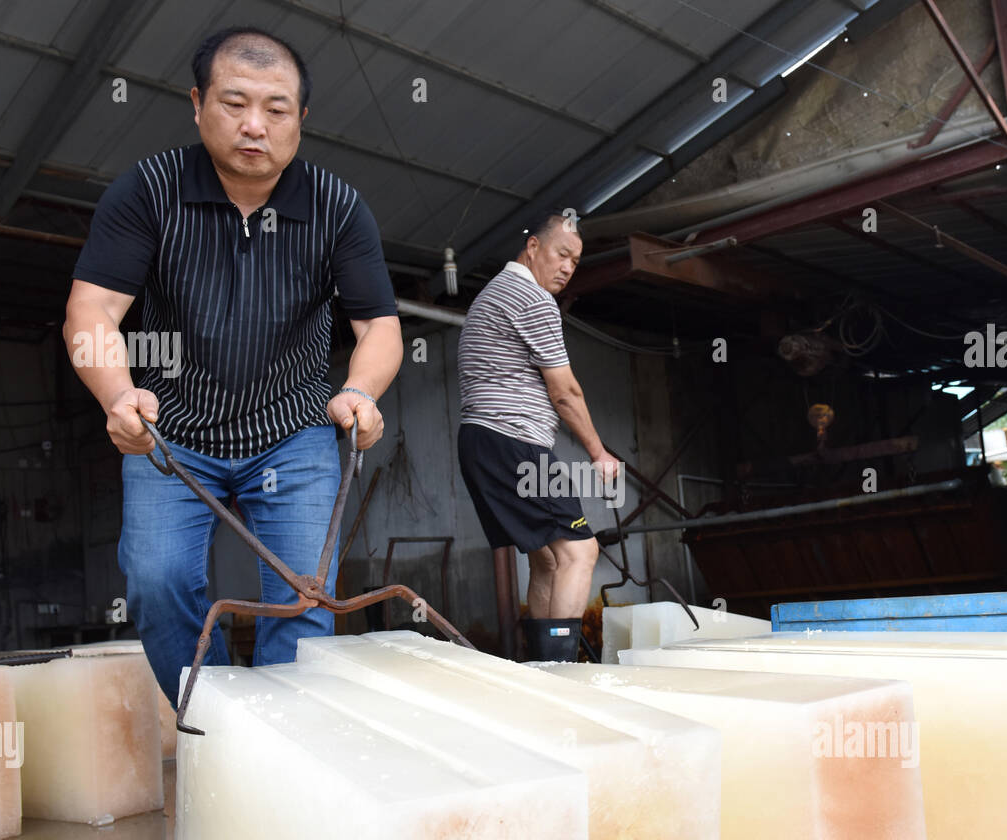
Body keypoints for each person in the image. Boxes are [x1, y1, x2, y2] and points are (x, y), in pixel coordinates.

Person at [64, 27, 402, 705]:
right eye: (234, 103)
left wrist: (360, 392)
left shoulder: (337, 208)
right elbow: (90, 313)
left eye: (276, 110)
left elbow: (381, 327)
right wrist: (117, 397)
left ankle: (285, 749)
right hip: (173, 432)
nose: (255, 126)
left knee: (305, 600)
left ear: (301, 119)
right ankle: (220, 725)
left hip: (294, 430)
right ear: (197, 103)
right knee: (157, 585)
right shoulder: (148, 191)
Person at [456, 215, 619, 658]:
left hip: (481, 442)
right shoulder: (531, 298)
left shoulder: (493, 293)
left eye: (575, 261)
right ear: (532, 247)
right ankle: (563, 672)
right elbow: (565, 392)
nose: (568, 268)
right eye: (561, 254)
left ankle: (545, 671)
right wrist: (598, 452)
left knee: (547, 558)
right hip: (512, 442)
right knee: (580, 553)